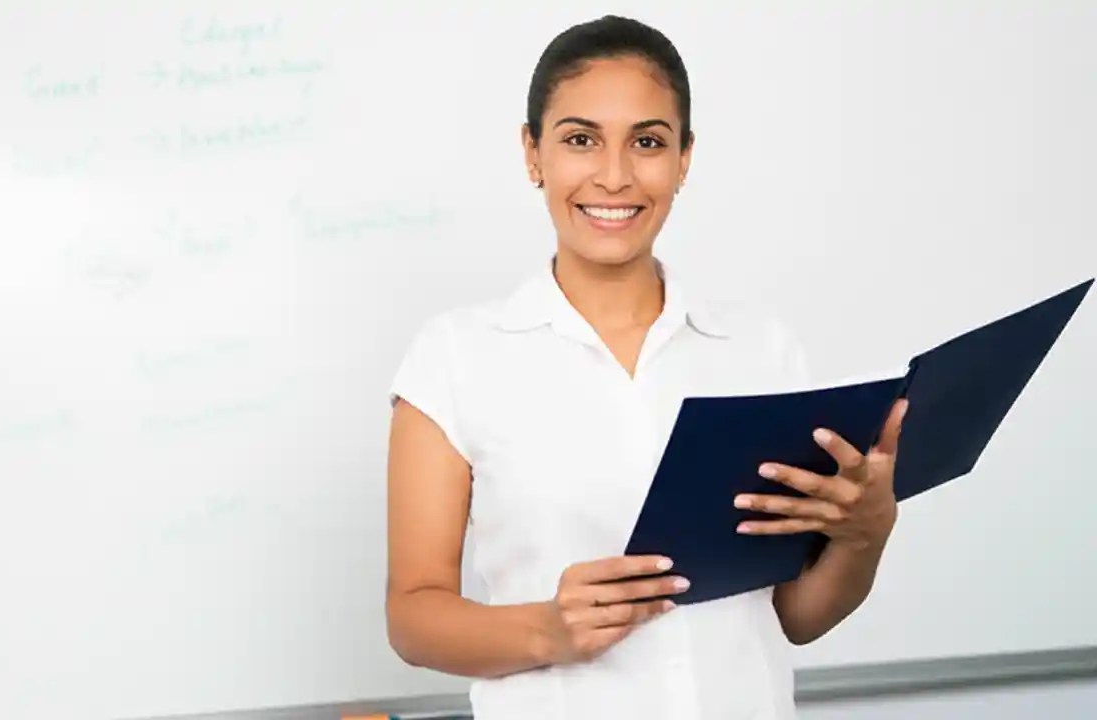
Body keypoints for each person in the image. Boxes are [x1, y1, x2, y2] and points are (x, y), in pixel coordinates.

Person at [384, 15, 907, 720]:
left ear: (684, 160)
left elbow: (796, 615)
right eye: (579, 140)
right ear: (532, 152)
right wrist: (547, 628)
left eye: (649, 142)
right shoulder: (454, 356)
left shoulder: (761, 351)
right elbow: (413, 618)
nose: (614, 175)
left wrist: (864, 534)